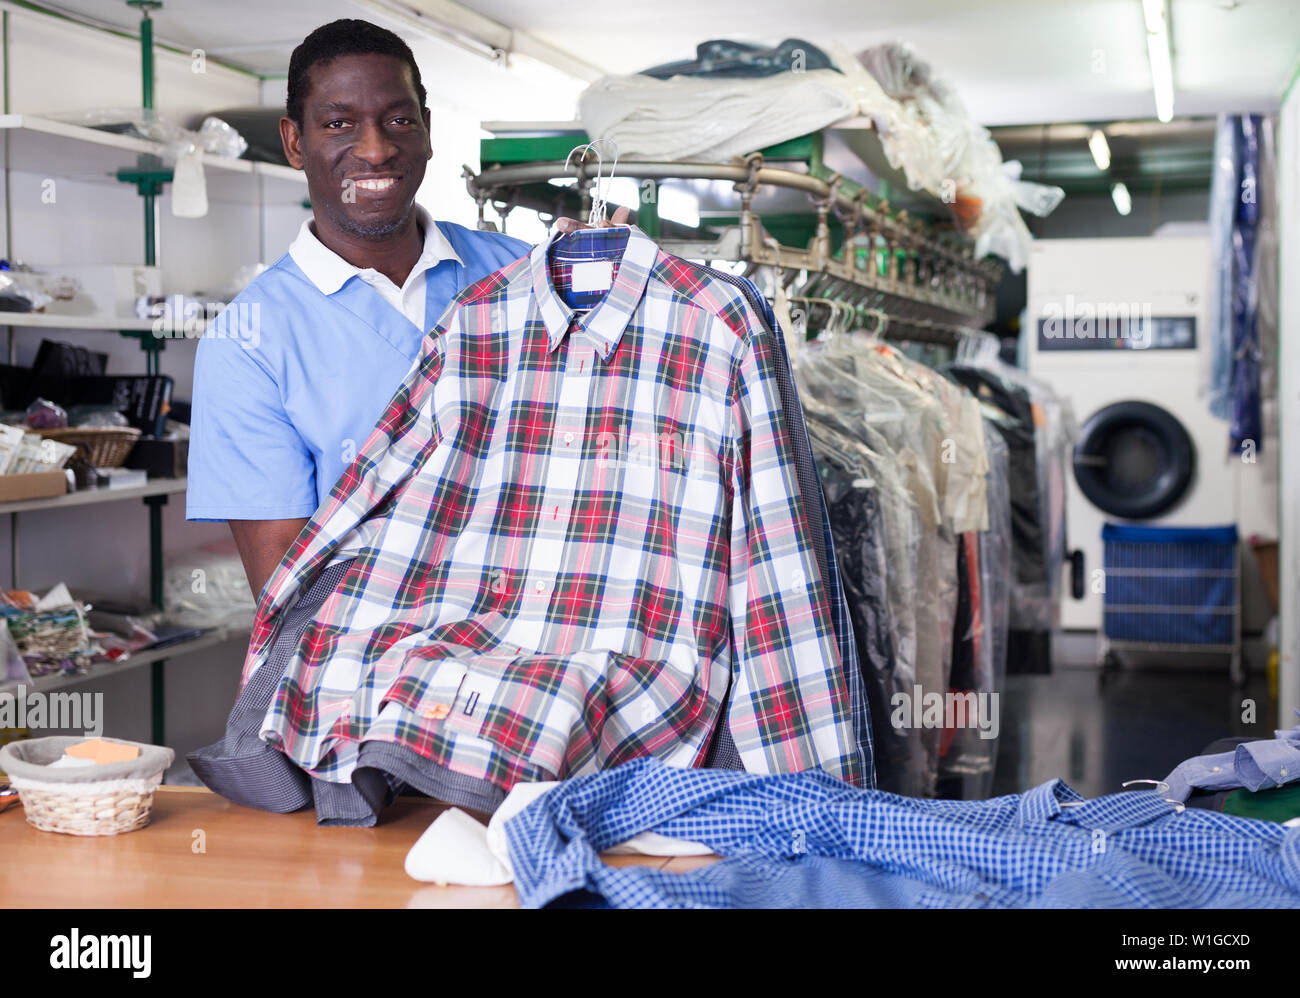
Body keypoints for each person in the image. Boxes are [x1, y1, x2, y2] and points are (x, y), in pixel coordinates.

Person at [186, 18, 621, 599]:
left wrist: (611, 290)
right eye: (339, 123)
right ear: (296, 142)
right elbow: (289, 595)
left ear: (427, 130)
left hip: (561, 634)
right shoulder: (248, 342)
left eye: (398, 119)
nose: (376, 149)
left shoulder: (527, 274)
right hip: (372, 674)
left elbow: (610, 439)